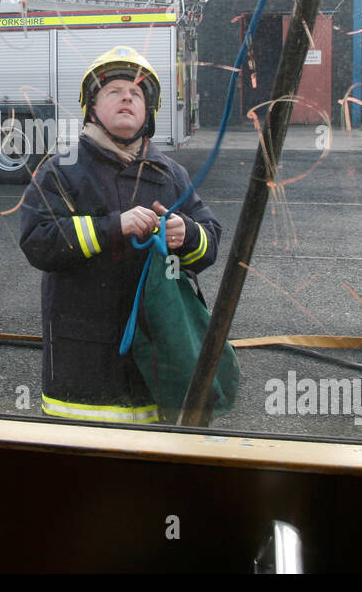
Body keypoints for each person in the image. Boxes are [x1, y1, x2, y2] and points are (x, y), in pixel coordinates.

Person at [18, 46, 222, 423]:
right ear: (92, 108)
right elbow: (37, 239)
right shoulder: (61, 169)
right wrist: (114, 226)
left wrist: (187, 234)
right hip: (82, 374)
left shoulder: (170, 174)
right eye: (114, 91)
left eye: (137, 93)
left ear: (149, 112)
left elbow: (210, 239)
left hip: (155, 368)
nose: (127, 96)